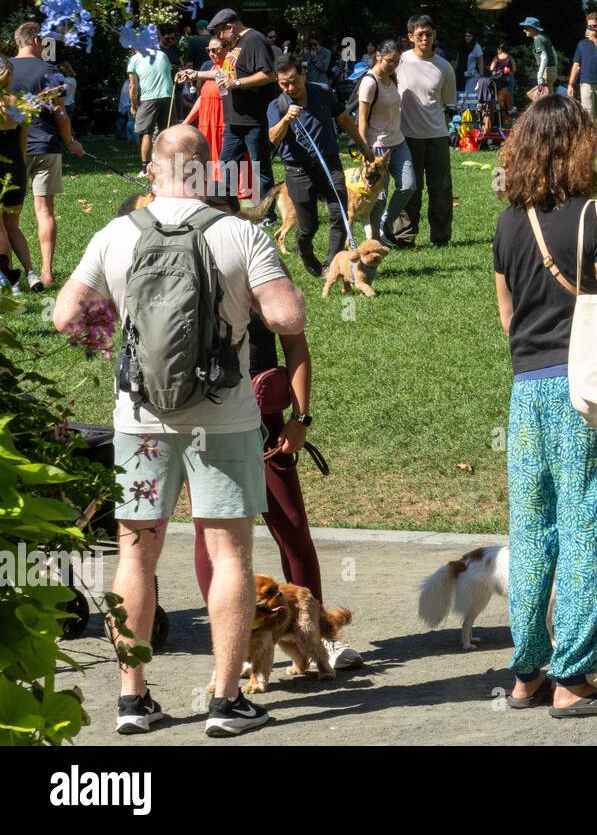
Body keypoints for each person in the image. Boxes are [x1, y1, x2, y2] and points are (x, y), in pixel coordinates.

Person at [52, 123, 307, 738]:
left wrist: (111, 335)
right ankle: (224, 701)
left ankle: (133, 698)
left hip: (139, 421)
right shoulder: (240, 233)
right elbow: (288, 315)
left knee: (137, 552)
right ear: (208, 170)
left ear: (151, 170)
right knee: (229, 555)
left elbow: (65, 317)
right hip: (223, 418)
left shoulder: (115, 234)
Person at [492, 94, 597, 714]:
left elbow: (508, 315)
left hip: (526, 389)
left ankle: (528, 672)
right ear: (578, 146)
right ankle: (573, 677)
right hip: (586, 391)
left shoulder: (508, 222)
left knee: (532, 529)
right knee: (587, 527)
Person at [188, 190, 361, 671]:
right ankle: (234, 646)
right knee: (214, 537)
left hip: (266, 424)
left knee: (291, 528)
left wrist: (299, 419)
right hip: (207, 422)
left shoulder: (261, 264)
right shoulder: (185, 266)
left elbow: (298, 350)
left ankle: (321, 635)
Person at [267, 55, 374, 276]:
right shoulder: (277, 105)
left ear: (303, 74)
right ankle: (306, 254)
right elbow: (272, 138)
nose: (289, 87)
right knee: (308, 227)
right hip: (298, 171)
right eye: (283, 83)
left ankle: (331, 266)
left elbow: (343, 119)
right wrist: (286, 119)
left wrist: (363, 147)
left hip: (330, 164)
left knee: (340, 215)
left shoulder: (323, 92)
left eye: (293, 81)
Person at [181, 8, 280, 221]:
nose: (218, 38)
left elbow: (269, 74)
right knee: (227, 166)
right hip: (233, 119)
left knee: (259, 167)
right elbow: (222, 74)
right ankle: (225, 210)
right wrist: (196, 74)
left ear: (230, 27)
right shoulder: (234, 45)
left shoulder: (254, 40)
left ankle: (267, 215)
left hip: (252, 118)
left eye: (219, 33)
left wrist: (236, 83)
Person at [9, 21, 84, 291]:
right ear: (37, 40)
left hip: (13, 149)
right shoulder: (50, 71)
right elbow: (60, 114)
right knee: (44, 211)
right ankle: (47, 272)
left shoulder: (5, 70)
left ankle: (15, 275)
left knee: (9, 218)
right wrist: (70, 141)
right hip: (46, 146)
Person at [392, 14, 458, 248]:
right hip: (407, 136)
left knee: (440, 189)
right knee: (410, 189)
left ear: (434, 35)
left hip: (438, 136)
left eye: (428, 33)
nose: (424, 38)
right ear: (410, 37)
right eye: (419, 34)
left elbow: (448, 103)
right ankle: (404, 236)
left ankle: (441, 237)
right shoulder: (399, 62)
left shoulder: (444, 67)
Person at [355, 39, 414, 247]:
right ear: (378, 56)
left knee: (409, 186)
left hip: (398, 142)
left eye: (397, 62)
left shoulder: (392, 78)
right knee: (378, 196)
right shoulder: (369, 82)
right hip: (377, 145)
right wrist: (365, 148)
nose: (393, 65)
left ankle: (384, 223)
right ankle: (375, 241)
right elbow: (362, 119)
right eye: (390, 61)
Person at [126, 44, 175, 175]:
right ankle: (169, 167)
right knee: (167, 133)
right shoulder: (163, 54)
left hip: (149, 98)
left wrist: (133, 106)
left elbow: (132, 86)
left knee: (146, 134)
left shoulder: (135, 59)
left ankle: (145, 169)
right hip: (169, 96)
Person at [0, 54, 27, 292]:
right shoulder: (19, 103)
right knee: (13, 226)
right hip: (17, 168)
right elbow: (23, 143)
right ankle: (30, 272)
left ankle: (8, 280)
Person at [566, 12, 597, 130]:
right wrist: (571, 84)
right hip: (586, 82)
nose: (592, 28)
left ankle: (595, 147)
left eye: (594, 26)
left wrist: (595, 40)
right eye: (589, 26)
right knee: (588, 116)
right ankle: (588, 146)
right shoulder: (582, 43)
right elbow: (577, 64)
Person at [520, 17, 557, 95]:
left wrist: (539, 76)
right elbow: (554, 54)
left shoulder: (538, 39)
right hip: (551, 70)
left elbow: (544, 58)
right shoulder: (544, 36)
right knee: (549, 97)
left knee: (546, 100)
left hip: (546, 71)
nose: (524, 30)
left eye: (526, 28)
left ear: (533, 29)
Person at [490, 42, 517, 115]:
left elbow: (491, 68)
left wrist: (497, 70)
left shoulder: (496, 58)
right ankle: (510, 114)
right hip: (508, 77)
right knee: (509, 95)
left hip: (498, 79)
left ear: (499, 49)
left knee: (498, 96)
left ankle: (499, 114)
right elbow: (514, 69)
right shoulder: (510, 57)